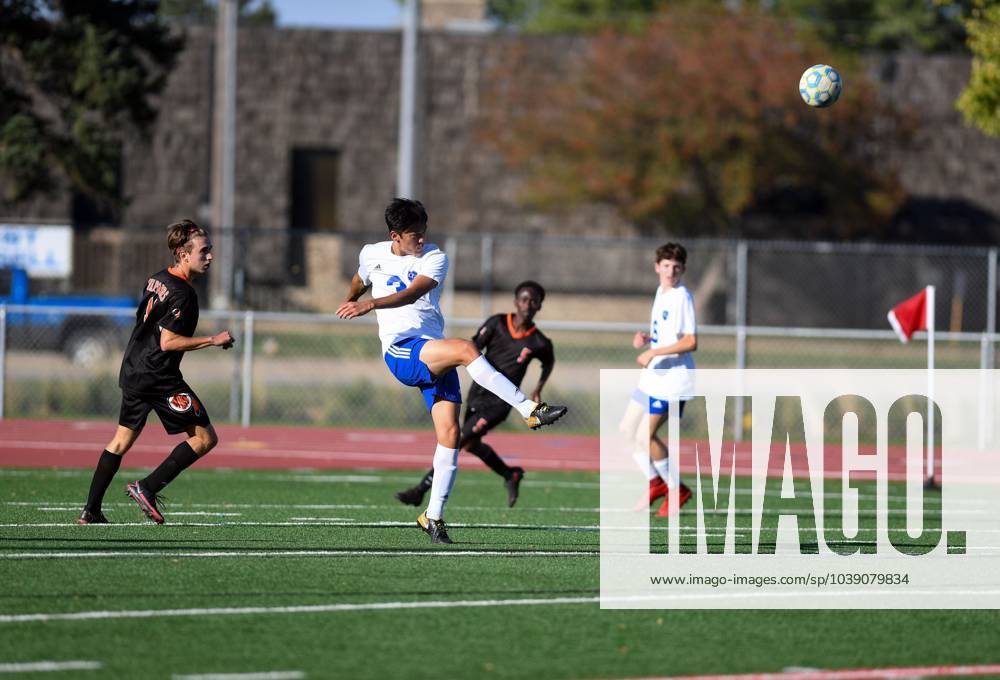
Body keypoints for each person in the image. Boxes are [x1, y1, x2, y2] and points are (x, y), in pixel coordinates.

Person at [336, 198, 567, 544]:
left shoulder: (435, 257)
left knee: (451, 436)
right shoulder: (373, 254)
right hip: (403, 351)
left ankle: (433, 516)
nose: (422, 238)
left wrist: (369, 302)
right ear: (395, 235)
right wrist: (353, 296)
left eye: (424, 230)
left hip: (432, 351)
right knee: (465, 349)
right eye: (415, 234)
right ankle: (530, 410)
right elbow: (359, 279)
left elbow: (414, 293)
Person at [77, 219, 234, 525]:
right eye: (204, 251)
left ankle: (91, 510)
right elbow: (168, 341)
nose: (210, 256)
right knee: (204, 438)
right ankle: (147, 488)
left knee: (120, 441)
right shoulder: (184, 295)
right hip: (158, 377)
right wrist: (213, 340)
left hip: (134, 368)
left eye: (210, 250)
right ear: (183, 254)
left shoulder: (157, 278)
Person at [395, 280, 555, 509]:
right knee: (471, 444)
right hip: (477, 394)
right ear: (515, 301)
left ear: (539, 306)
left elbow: (549, 362)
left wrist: (538, 387)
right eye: (524, 299)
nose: (527, 305)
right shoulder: (498, 323)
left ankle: (420, 490)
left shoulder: (539, 341)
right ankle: (510, 474)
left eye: (533, 301)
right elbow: (472, 347)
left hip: (499, 404)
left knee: (458, 440)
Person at [621, 242, 697, 518]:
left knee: (645, 435)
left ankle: (677, 489)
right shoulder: (661, 292)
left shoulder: (682, 296)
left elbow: (690, 341)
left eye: (676, 267)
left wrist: (653, 351)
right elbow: (667, 334)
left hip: (674, 380)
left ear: (683, 270)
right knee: (627, 430)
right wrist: (647, 339)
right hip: (653, 377)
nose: (670, 271)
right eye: (666, 266)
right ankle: (656, 484)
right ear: (657, 267)